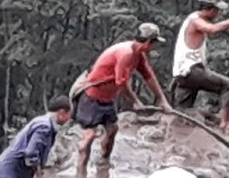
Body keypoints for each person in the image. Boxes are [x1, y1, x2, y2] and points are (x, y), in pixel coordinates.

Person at [72, 23, 171, 170]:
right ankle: (80, 170)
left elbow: (148, 76)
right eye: (154, 43)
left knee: (112, 129)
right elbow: (122, 83)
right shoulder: (126, 54)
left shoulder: (138, 55)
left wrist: (162, 99)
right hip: (92, 96)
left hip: (107, 98)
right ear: (149, 42)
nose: (153, 47)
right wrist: (136, 102)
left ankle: (103, 161)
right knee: (89, 135)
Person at [171, 0, 229, 129]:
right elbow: (213, 29)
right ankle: (225, 123)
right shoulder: (195, 21)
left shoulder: (193, 19)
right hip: (191, 70)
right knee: (228, 85)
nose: (217, 13)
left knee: (182, 111)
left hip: (182, 73)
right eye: (216, 10)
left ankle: (181, 128)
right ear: (210, 9)